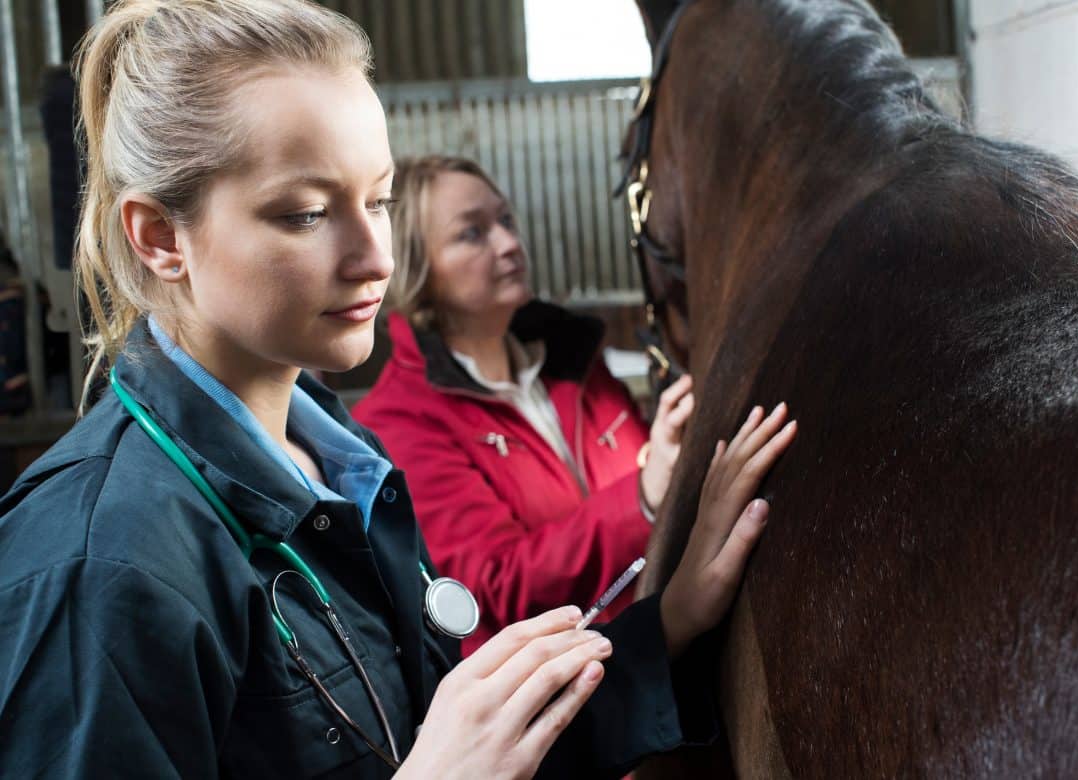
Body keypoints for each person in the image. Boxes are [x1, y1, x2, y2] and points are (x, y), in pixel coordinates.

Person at [0, 1, 798, 777]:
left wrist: (676, 617)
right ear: (162, 237)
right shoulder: (97, 568)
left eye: (376, 200)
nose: (376, 255)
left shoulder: (342, 464)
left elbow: (469, 742)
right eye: (308, 214)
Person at [352, 155, 695, 651]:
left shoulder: (575, 364)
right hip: (568, 693)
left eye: (506, 220)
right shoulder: (399, 423)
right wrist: (643, 495)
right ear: (417, 269)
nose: (510, 243)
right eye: (473, 233)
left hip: (659, 642)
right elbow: (496, 584)